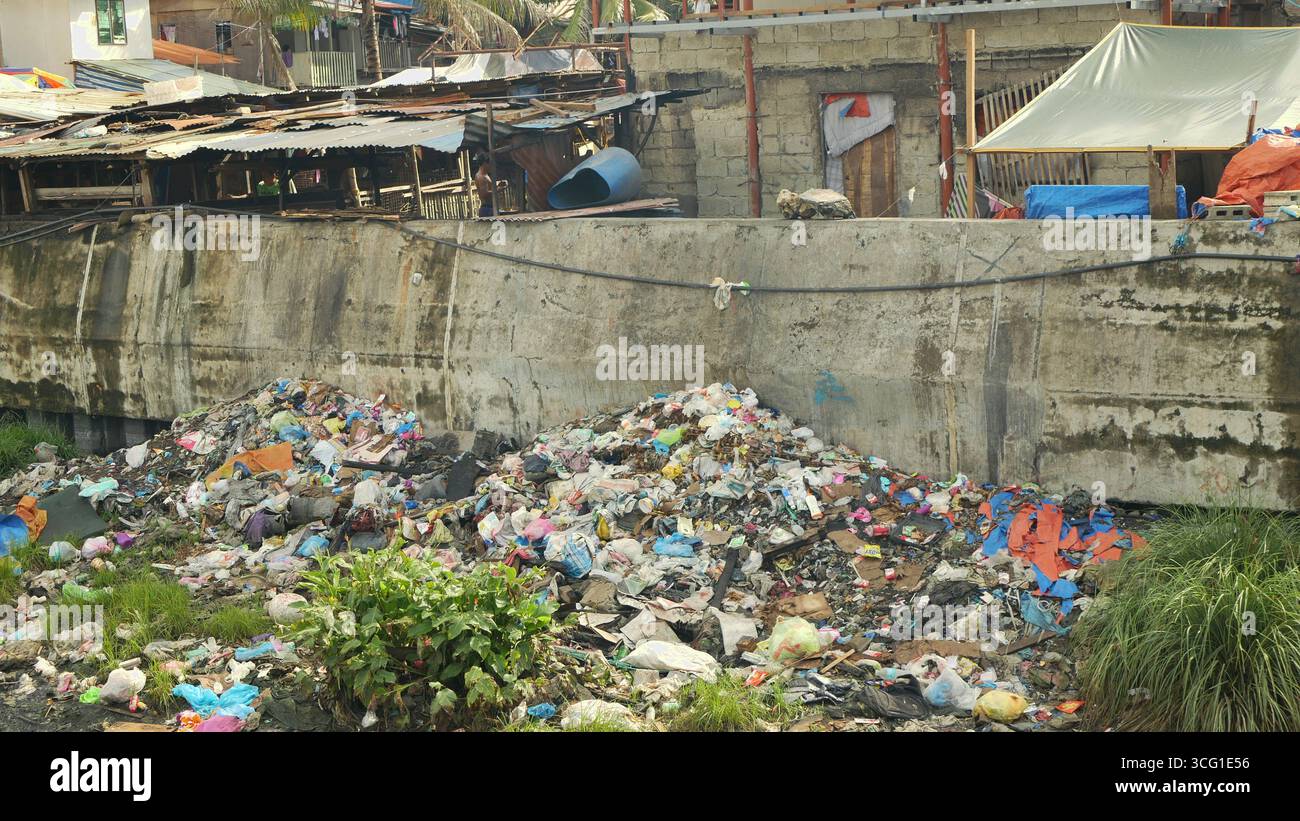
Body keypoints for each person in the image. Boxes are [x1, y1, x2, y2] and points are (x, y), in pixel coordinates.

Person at [473, 153, 495, 218]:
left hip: (487, 208)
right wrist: (498, 190)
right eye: (489, 164)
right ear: (484, 163)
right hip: (487, 209)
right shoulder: (482, 177)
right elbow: (484, 194)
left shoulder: (483, 175)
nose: (491, 166)